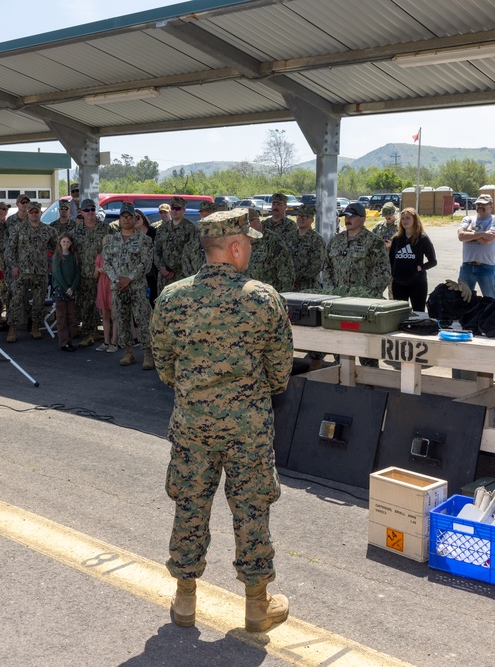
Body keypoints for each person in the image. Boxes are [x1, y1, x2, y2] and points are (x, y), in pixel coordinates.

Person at [151, 208, 293, 634]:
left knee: (190, 506)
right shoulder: (262, 298)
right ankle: (255, 606)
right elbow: (280, 370)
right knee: (252, 509)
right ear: (234, 248)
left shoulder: (173, 298)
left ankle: (185, 600)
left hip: (193, 424)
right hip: (248, 426)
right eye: (247, 243)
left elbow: (164, 365)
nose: (248, 249)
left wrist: (198, 390)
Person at [102, 203, 154, 369]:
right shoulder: (111, 240)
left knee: (143, 321)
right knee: (122, 320)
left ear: (135, 219)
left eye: (130, 216)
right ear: (119, 219)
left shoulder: (144, 240)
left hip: (137, 287)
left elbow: (145, 263)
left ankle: (148, 354)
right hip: (117, 287)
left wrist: (129, 279)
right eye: (123, 216)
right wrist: (116, 279)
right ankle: (128, 352)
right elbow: (107, 261)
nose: (126, 219)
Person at [5, 201, 58, 343]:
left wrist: (50, 261)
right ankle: (12, 329)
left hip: (40, 271)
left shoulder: (49, 230)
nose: (34, 214)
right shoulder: (17, 228)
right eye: (31, 211)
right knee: (16, 300)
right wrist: (14, 266)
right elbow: (10, 250)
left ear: (40, 212)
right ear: (27, 212)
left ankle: (35, 327)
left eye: (37, 211)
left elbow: (55, 247)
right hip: (21, 271)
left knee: (38, 301)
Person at [322, 201, 390, 297]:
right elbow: (326, 268)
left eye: (352, 217)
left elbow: (383, 272)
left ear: (363, 219)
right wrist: (331, 290)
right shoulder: (335, 241)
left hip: (362, 301)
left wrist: (367, 294)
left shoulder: (375, 242)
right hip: (336, 297)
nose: (347, 219)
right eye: (346, 216)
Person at [75, 202, 113, 347]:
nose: (90, 212)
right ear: (81, 212)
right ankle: (88, 334)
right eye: (87, 210)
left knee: (108, 306)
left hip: (105, 275)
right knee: (86, 306)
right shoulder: (76, 230)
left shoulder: (106, 229)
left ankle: (110, 337)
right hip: (85, 274)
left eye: (92, 209)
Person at [388, 207, 437, 311]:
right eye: (403, 218)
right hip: (398, 284)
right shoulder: (396, 239)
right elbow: (391, 259)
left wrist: (421, 267)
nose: (405, 221)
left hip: (417, 283)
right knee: (399, 314)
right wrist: (393, 273)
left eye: (408, 218)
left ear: (415, 220)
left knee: (418, 314)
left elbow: (433, 261)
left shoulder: (423, 239)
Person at [456, 194, 495, 298]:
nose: (480, 206)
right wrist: (481, 234)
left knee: (490, 300)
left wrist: (471, 232)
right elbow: (461, 236)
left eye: (484, 204)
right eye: (478, 204)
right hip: (467, 266)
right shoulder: (468, 219)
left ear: (491, 206)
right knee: (462, 299)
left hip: (486, 266)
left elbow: (488, 240)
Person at [154, 196, 203, 293]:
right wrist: (162, 268)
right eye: (173, 208)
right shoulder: (162, 228)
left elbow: (191, 253)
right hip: (163, 277)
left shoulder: (190, 229)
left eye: (178, 208)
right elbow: (156, 250)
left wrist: (174, 271)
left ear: (183, 210)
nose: (175, 211)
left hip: (181, 276)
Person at [243, 207, 294, 292]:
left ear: (256, 221)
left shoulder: (273, 241)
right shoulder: (242, 241)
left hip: (267, 295)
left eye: (246, 223)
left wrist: (283, 297)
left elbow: (286, 273)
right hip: (246, 294)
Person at [51, 231, 80, 352]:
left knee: (71, 317)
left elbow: (77, 273)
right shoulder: (57, 256)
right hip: (60, 290)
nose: (66, 244)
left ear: (71, 243)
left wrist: (72, 287)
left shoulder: (73, 257)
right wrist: (65, 288)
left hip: (70, 290)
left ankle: (70, 341)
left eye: (68, 242)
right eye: (64, 241)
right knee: (61, 317)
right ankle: (63, 342)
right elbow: (57, 274)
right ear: (60, 242)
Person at [291, 204, 326, 291]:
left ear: (312, 220)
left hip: (309, 287)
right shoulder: (289, 237)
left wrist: (295, 275)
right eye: (299, 215)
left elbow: (317, 265)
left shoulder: (317, 240)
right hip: (289, 286)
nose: (301, 218)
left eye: (305, 216)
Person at [94, 246, 118, 352]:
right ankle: (106, 341)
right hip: (102, 286)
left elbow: (119, 275)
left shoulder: (116, 257)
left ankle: (114, 342)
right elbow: (95, 276)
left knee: (114, 316)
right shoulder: (99, 257)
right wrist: (98, 270)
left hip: (112, 286)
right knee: (105, 315)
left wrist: (108, 271)